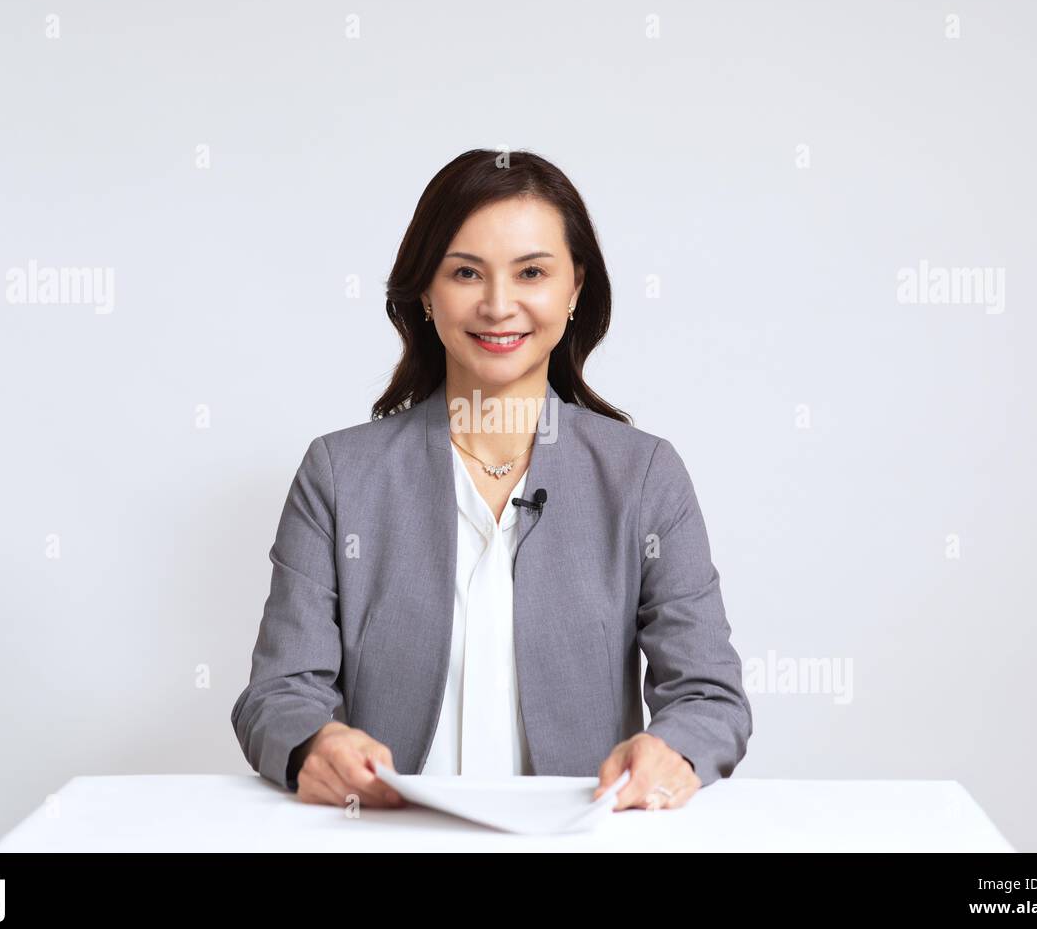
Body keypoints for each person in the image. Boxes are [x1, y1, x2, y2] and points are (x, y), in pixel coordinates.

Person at [231, 149, 752, 813]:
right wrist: (314, 743)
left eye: (531, 271)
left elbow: (709, 694)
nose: (498, 305)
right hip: (391, 838)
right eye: (465, 273)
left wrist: (671, 750)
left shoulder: (644, 474)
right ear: (426, 292)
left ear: (574, 288)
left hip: (573, 843)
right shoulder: (339, 475)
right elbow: (278, 694)